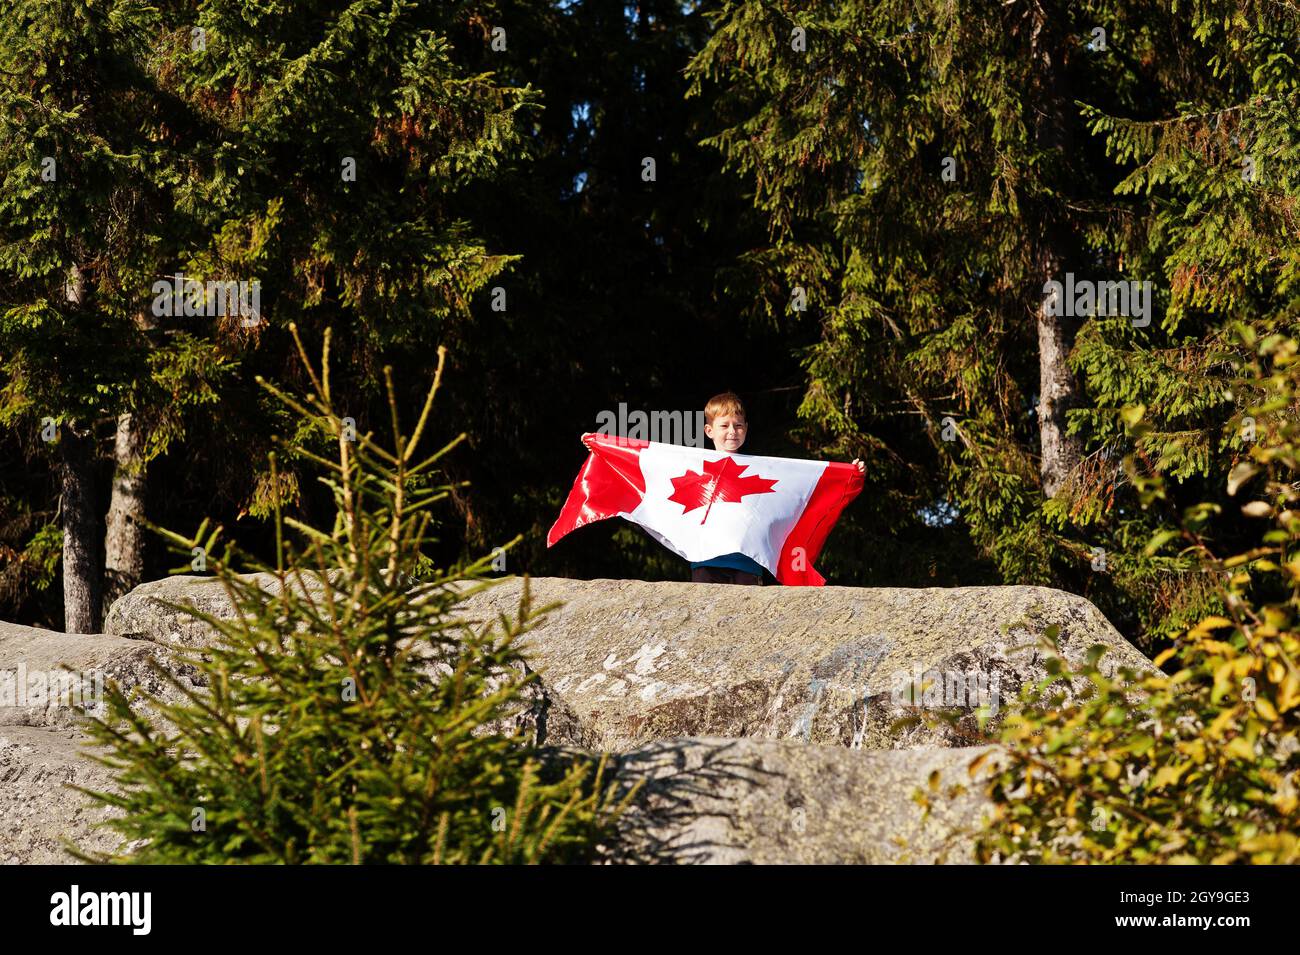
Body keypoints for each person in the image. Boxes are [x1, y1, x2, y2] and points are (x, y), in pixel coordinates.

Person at [690, 392, 865, 585]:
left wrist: (851, 473)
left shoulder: (763, 471)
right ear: (709, 430)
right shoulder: (694, 467)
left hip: (749, 562)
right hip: (705, 560)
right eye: (724, 425)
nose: (732, 431)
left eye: (738, 425)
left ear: (746, 429)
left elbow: (798, 488)